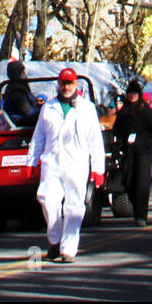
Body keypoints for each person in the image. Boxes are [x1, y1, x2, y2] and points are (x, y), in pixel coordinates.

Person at [27, 67, 105, 263]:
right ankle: (55, 239)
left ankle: (68, 249)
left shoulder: (86, 108)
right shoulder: (48, 107)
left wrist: (98, 168)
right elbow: (38, 137)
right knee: (47, 200)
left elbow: (95, 140)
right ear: (58, 84)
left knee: (74, 207)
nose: (66, 87)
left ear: (76, 85)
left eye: (70, 83)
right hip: (51, 161)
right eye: (63, 83)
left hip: (77, 163)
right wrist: (31, 161)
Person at [112, 80, 152, 225]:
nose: (132, 96)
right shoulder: (124, 111)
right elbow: (116, 129)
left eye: (135, 93)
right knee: (128, 182)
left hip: (143, 151)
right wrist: (121, 141)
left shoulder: (145, 110)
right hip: (128, 152)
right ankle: (136, 208)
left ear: (139, 95)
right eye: (129, 93)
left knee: (142, 183)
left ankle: (142, 215)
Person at [1, 61, 43, 128]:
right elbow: (29, 112)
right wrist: (45, 109)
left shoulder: (19, 86)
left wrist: (39, 100)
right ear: (21, 73)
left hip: (25, 118)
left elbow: (31, 102)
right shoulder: (16, 91)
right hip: (21, 121)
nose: (26, 74)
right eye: (24, 71)